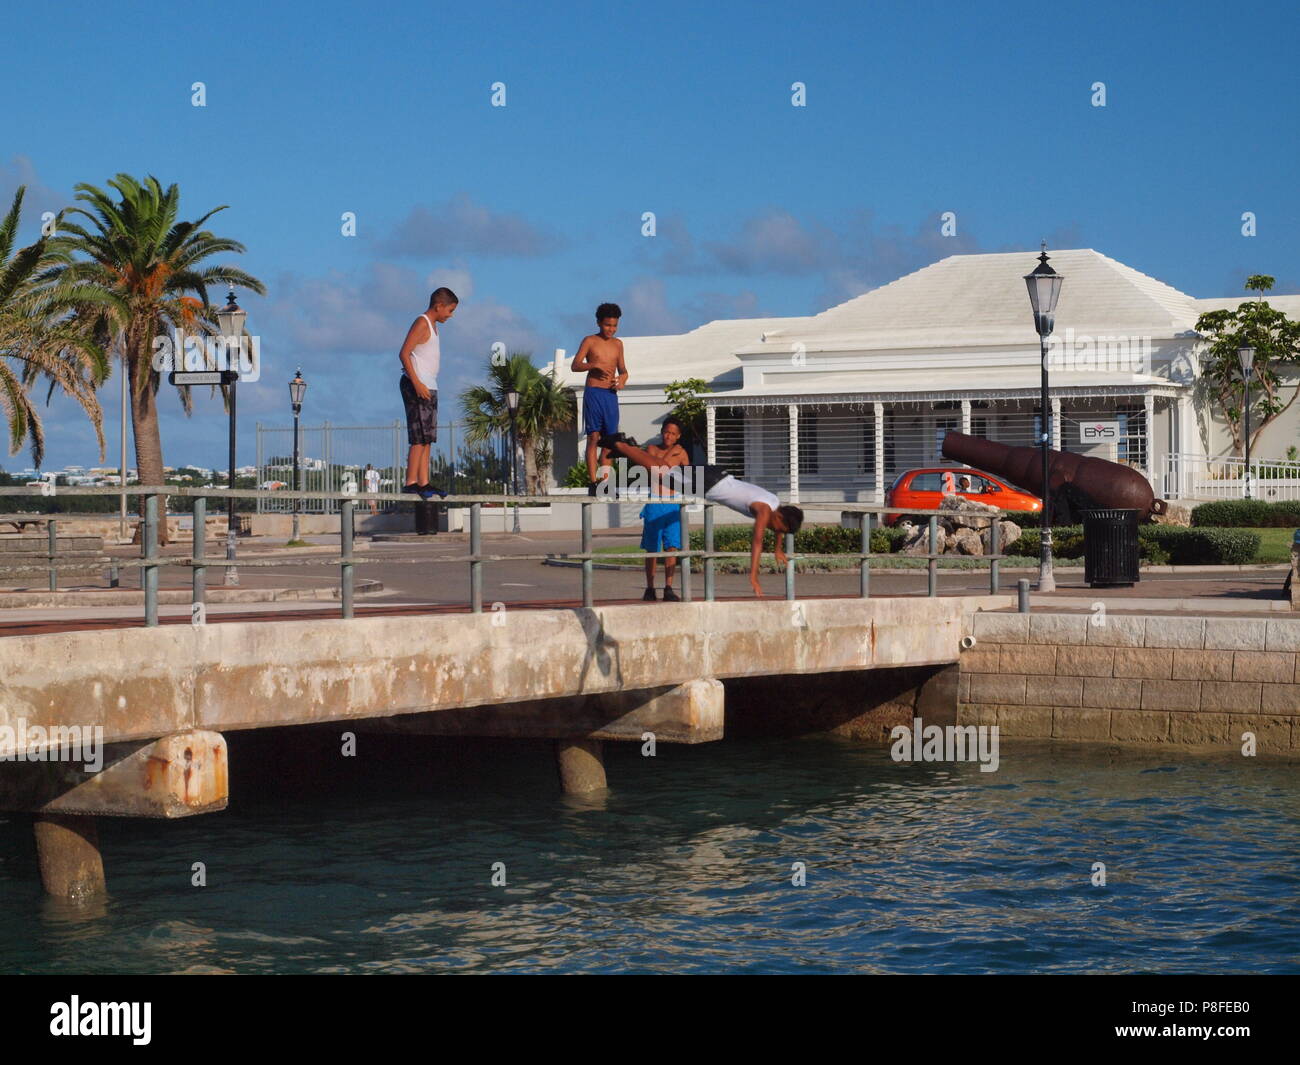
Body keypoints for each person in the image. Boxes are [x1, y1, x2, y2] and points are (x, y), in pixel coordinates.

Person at [600, 432, 804, 598]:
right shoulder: (764, 510)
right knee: (661, 473)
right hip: (708, 483)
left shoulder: (775, 503)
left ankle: (628, 448)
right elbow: (757, 540)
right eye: (778, 529)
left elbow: (778, 528)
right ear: (780, 518)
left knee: (666, 470)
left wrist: (778, 549)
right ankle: (619, 445)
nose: (775, 531)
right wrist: (753, 576)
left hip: (715, 477)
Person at [398, 288, 457, 501]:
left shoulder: (434, 327)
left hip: (430, 385)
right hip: (417, 385)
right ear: (438, 306)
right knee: (418, 437)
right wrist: (417, 383)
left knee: (428, 437)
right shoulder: (422, 322)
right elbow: (404, 353)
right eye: (449, 311)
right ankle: (411, 482)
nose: (450, 315)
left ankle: (424, 481)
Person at [570, 303, 627, 495]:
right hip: (594, 393)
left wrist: (622, 380)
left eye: (614, 326)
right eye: (607, 325)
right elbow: (575, 365)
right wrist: (593, 365)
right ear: (598, 323)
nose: (611, 329)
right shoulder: (590, 341)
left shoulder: (618, 344)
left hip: (610, 395)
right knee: (594, 437)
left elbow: (623, 370)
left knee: (609, 441)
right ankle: (593, 482)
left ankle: (605, 482)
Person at [636, 417, 691, 602]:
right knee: (652, 548)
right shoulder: (652, 449)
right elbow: (656, 469)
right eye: (666, 432)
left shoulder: (681, 453)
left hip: (673, 502)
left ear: (678, 436)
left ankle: (669, 586)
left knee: (671, 547)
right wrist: (670, 455)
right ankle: (650, 587)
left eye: (673, 434)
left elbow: (688, 477)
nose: (668, 436)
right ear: (662, 432)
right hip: (654, 502)